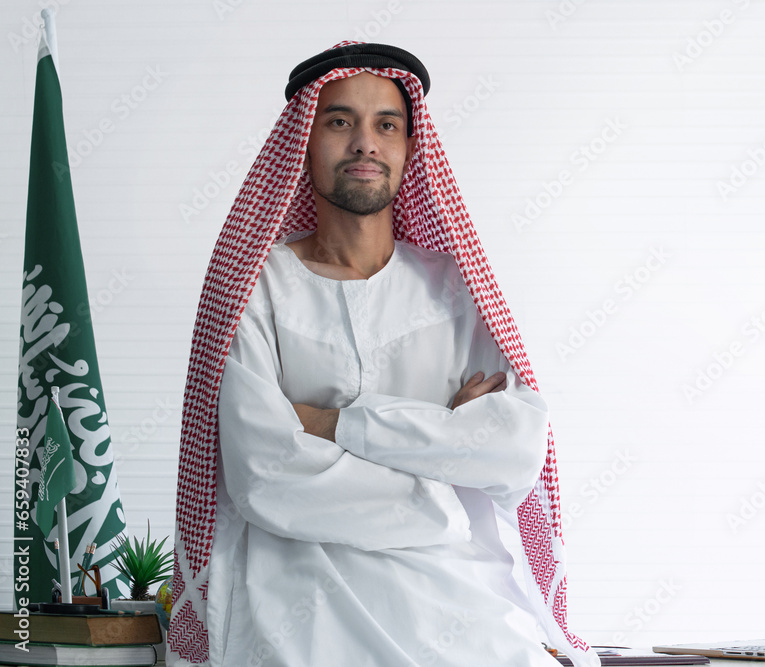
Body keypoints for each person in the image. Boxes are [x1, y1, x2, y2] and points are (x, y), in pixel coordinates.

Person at [170, 42, 595, 667]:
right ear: (303, 143)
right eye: (340, 121)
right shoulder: (254, 287)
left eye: (387, 125)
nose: (365, 143)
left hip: (462, 601)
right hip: (301, 605)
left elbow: (513, 452)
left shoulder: (454, 288)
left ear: (409, 148)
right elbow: (265, 473)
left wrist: (328, 423)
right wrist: (441, 467)